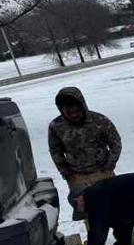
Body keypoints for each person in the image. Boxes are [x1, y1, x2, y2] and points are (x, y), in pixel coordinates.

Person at [48, 87, 122, 220]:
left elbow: (116, 143)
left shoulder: (100, 120)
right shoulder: (56, 126)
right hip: (77, 177)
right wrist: (68, 174)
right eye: (69, 112)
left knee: (116, 207)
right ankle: (95, 238)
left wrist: (109, 166)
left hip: (103, 172)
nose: (74, 115)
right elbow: (55, 151)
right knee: (87, 211)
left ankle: (127, 236)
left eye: (77, 111)